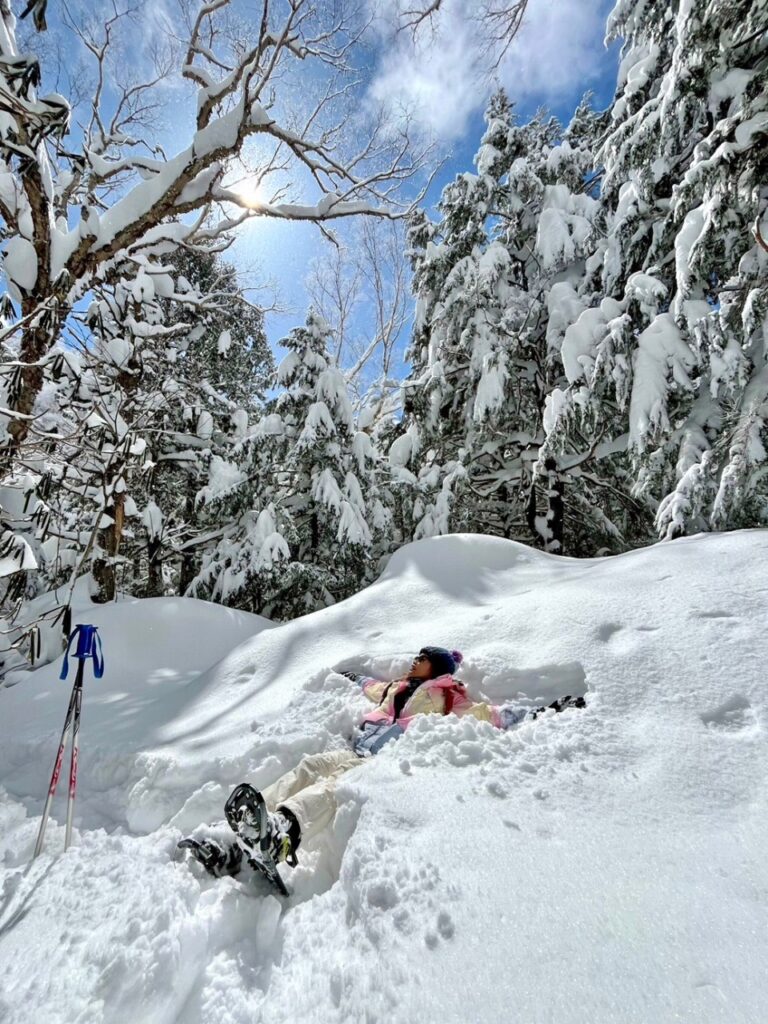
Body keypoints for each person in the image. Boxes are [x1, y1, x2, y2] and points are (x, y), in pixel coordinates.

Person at [179, 645, 585, 877]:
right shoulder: (398, 686)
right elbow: (370, 687)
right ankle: (239, 830)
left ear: (438, 667)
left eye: (423, 657)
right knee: (308, 767)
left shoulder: (447, 695)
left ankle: (281, 831)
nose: (414, 660)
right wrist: (350, 674)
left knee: (331, 790)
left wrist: (545, 710)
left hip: (384, 760)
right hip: (358, 746)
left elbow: (490, 716)